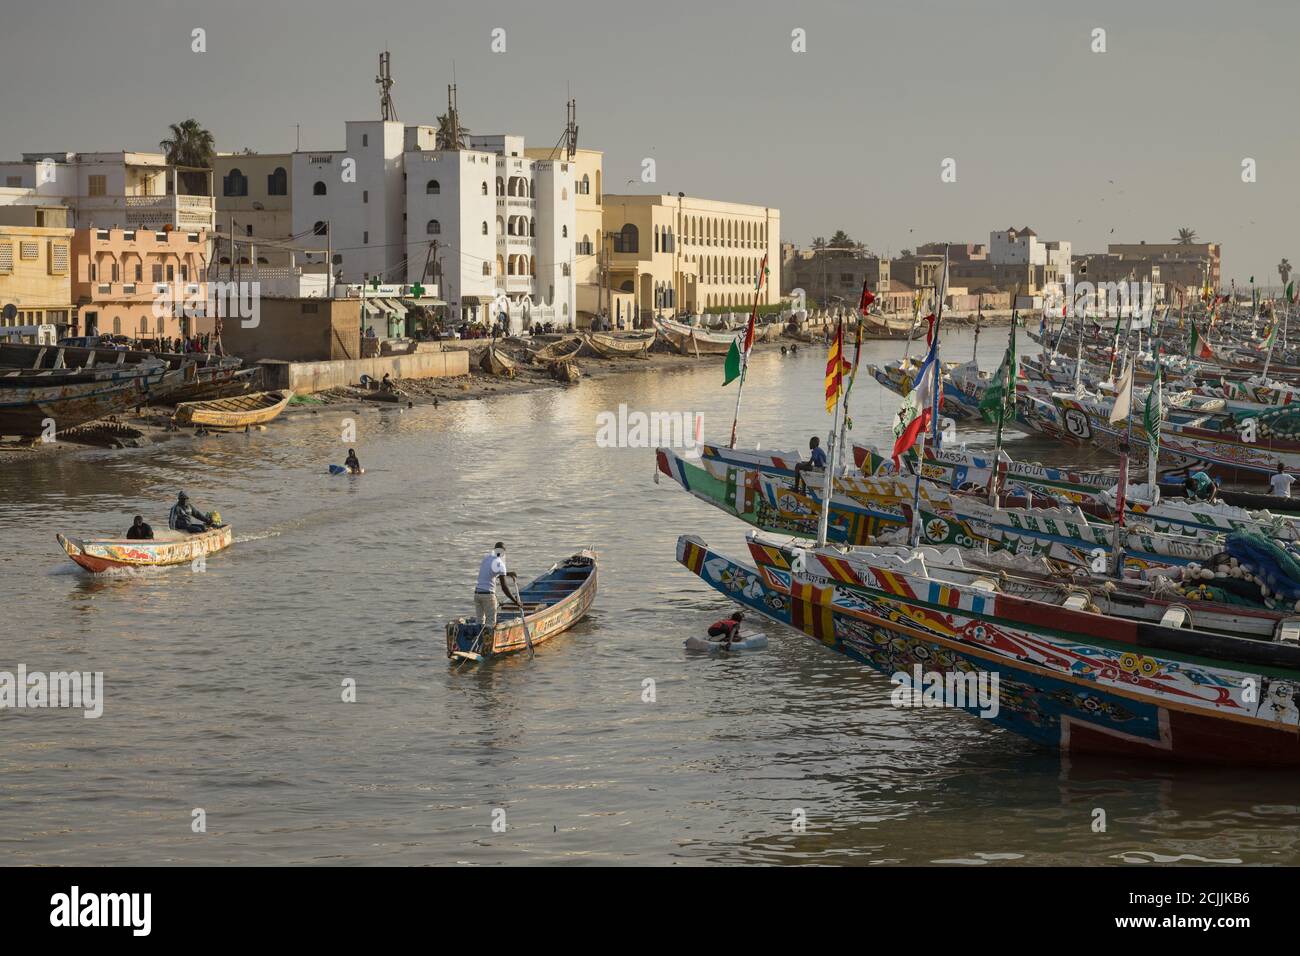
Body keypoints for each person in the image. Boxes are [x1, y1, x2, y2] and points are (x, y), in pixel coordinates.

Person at [474, 541, 519, 636]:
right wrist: (516, 602)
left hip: (477, 594)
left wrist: (508, 573)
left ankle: (478, 644)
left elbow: (491, 573)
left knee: (480, 622)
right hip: (488, 596)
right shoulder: (500, 564)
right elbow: (504, 588)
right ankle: (487, 648)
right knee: (490, 624)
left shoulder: (486, 558)